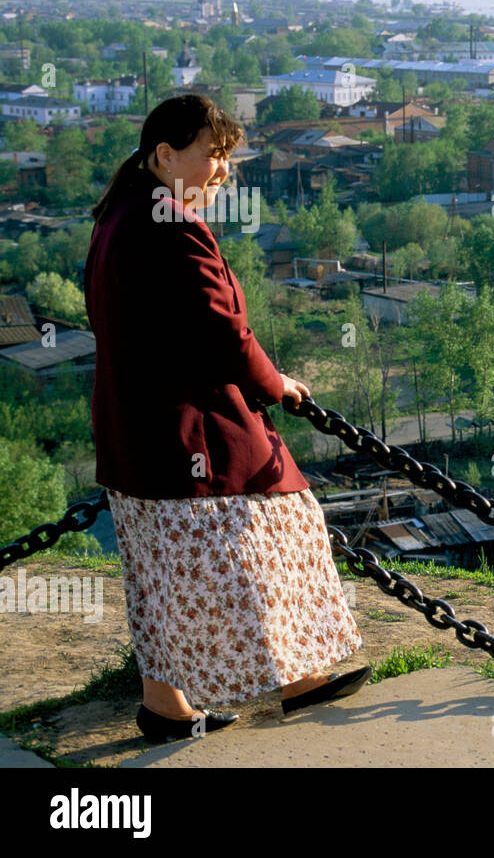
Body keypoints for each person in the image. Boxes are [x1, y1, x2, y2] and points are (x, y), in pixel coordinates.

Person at [85, 95, 369, 743]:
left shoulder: (119, 216)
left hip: (132, 431)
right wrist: (277, 386)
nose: (224, 172)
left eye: (228, 158)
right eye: (213, 156)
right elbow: (225, 333)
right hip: (188, 434)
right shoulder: (172, 228)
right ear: (164, 154)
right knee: (272, 533)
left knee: (158, 573)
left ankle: (166, 709)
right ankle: (297, 681)